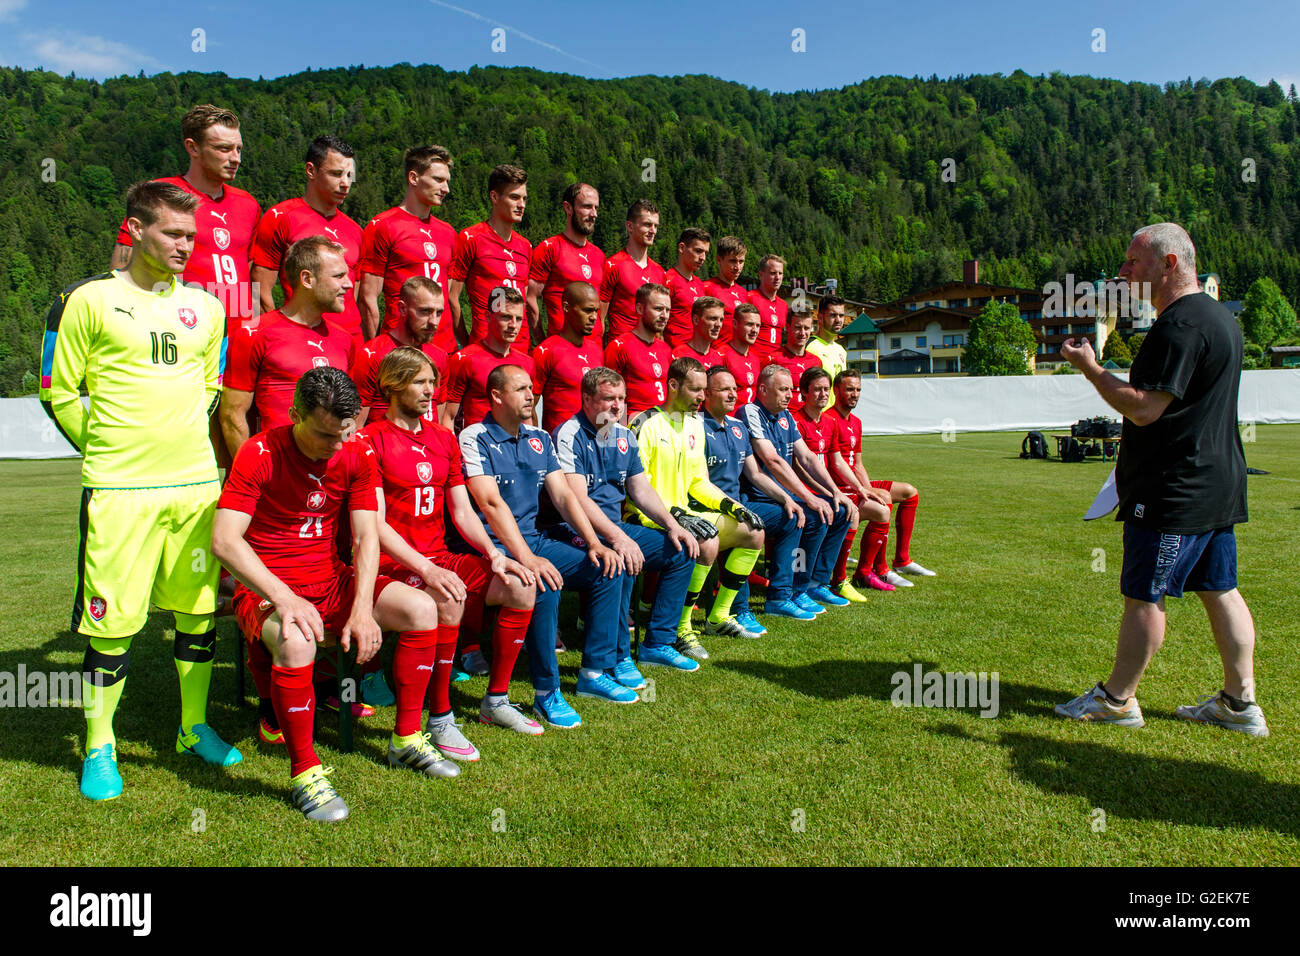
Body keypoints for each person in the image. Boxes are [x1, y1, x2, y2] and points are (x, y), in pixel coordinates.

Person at [41, 180, 239, 801]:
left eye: (191, 236)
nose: (185, 246)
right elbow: (58, 390)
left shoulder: (207, 307)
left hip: (194, 487)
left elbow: (209, 386)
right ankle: (100, 746)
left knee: (199, 612)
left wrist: (180, 444)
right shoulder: (86, 301)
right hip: (120, 488)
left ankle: (192, 727)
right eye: (172, 234)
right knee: (113, 627)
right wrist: (105, 445)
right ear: (135, 230)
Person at [214, 367, 460, 823]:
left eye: (344, 433)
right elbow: (225, 541)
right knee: (297, 639)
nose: (336, 445)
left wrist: (364, 611)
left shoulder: (355, 451)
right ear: (296, 414)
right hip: (270, 587)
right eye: (326, 434)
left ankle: (406, 740)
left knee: (422, 608)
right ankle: (305, 772)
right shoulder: (259, 451)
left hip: (330, 581)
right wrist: (284, 598)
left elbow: (367, 538)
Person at [1055, 222, 1267, 736]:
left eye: (1132, 261)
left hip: (1174, 489)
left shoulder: (1179, 327)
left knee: (1144, 594)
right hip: (1217, 483)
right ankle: (1240, 704)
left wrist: (1091, 369)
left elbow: (1146, 409)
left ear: (1168, 264)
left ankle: (1117, 700)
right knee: (1221, 588)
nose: (1124, 270)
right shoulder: (1219, 318)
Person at [362, 348, 541, 754]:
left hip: (437, 556)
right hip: (392, 565)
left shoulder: (443, 437)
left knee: (519, 585)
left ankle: (495, 701)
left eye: (433, 381)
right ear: (393, 385)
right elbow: (375, 524)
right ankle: (440, 718)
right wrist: (426, 569)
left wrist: (493, 553)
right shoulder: (369, 440)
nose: (431, 391)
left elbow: (462, 509)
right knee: (449, 597)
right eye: (420, 382)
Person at [459, 365, 627, 727]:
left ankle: (594, 674)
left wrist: (596, 543)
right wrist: (527, 558)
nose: (530, 394)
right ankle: (546, 692)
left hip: (534, 541)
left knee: (606, 568)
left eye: (531, 388)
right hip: (493, 545)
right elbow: (490, 504)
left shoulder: (539, 437)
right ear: (497, 396)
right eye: (520, 389)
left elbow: (564, 496)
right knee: (544, 585)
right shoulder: (475, 436)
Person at [553, 368, 701, 679]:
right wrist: (618, 537)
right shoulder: (569, 433)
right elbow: (577, 499)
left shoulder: (623, 435)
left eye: (621, 398)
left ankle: (658, 643)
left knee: (683, 548)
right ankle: (617, 656)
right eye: (608, 399)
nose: (617, 406)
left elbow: (640, 489)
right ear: (587, 399)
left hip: (615, 526)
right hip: (577, 529)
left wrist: (672, 525)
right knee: (621, 559)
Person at [630, 357, 767, 659]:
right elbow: (636, 491)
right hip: (647, 518)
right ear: (673, 386)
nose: (702, 398)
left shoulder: (694, 424)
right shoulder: (645, 424)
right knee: (706, 542)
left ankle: (718, 617)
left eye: (705, 391)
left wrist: (732, 506)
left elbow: (697, 482)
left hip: (683, 515)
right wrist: (674, 516)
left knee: (753, 531)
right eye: (695, 390)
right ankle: (681, 629)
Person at [110, 104, 261, 333]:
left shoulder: (249, 204)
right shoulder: (160, 194)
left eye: (238, 149)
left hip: (240, 332)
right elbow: (122, 265)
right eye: (224, 149)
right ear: (193, 147)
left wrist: (255, 323)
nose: (235, 158)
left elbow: (249, 272)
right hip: (179, 327)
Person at [221, 237, 357, 458]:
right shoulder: (253, 334)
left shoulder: (344, 340)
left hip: (329, 477)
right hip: (276, 474)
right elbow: (232, 416)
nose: (349, 284)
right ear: (307, 279)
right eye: (338, 276)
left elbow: (348, 414)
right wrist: (252, 476)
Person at [740, 365, 856, 618]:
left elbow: (807, 457)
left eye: (790, 390)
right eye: (783, 390)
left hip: (786, 495)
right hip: (761, 497)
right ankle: (782, 594)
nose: (789, 395)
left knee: (838, 510)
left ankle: (814, 585)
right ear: (762, 390)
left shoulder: (785, 416)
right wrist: (808, 498)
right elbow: (772, 461)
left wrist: (834, 492)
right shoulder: (750, 412)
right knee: (806, 517)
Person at [700, 365, 803, 637]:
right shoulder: (695, 427)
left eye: (735, 388)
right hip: (706, 508)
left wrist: (786, 499)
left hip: (739, 504)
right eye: (725, 389)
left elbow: (755, 473)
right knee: (748, 529)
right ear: (706, 394)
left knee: (790, 517)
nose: (733, 394)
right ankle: (739, 609)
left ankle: (780, 596)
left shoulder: (736, 427)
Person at [824, 369, 933, 600]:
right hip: (840, 485)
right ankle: (877, 569)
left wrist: (868, 489)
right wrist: (864, 491)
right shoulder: (829, 419)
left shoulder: (856, 422)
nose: (855, 394)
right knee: (882, 502)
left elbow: (859, 463)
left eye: (858, 390)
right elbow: (835, 464)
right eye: (849, 389)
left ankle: (901, 560)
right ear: (837, 391)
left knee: (909, 492)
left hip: (855, 482)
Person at [250, 135, 363, 344]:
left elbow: (352, 294)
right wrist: (280, 335)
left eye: (349, 175)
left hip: (350, 341)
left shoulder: (356, 230)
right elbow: (260, 289)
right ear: (311, 171)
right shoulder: (281, 218)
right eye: (336, 174)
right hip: (300, 338)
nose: (345, 183)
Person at [356, 145, 458, 349]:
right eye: (438, 180)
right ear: (413, 178)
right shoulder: (383, 226)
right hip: (401, 348)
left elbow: (448, 295)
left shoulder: (448, 233)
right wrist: (375, 348)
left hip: (444, 348)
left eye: (447, 181)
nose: (446, 189)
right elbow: (368, 298)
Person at [447, 164, 531, 349]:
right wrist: (467, 340)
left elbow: (523, 298)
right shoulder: (471, 238)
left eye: (524, 198)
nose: (521, 205)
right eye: (514, 197)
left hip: (521, 349)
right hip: (484, 347)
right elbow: (451, 296)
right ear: (494, 197)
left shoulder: (525, 246)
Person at [351, 276, 449, 427]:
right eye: (425, 311)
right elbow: (353, 423)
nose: (434, 321)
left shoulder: (440, 356)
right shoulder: (373, 354)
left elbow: (440, 417)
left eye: (439, 312)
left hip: (429, 446)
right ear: (402, 308)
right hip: (384, 446)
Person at [441, 286, 535, 432]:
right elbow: (448, 416)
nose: (513, 325)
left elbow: (526, 416)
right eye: (506, 317)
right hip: (477, 448)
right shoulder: (465, 359)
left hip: (516, 449)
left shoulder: (527, 363)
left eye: (518, 319)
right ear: (488, 316)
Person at [527, 182, 605, 342]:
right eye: (587, 207)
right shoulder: (549, 248)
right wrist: (542, 342)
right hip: (560, 347)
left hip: (594, 351)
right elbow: (530, 297)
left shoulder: (599, 255)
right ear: (568, 208)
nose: (594, 214)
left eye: (596, 208)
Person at [532, 281, 605, 433]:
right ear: (566, 307)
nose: (593, 317)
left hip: (593, 443)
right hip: (560, 445)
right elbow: (529, 407)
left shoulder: (597, 351)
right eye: (587, 310)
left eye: (596, 311)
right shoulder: (546, 351)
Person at [603, 282, 674, 422]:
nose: (664, 315)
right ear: (640, 309)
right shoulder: (619, 346)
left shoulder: (666, 349)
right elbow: (607, 398)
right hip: (634, 428)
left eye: (668, 310)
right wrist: (623, 431)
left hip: (664, 427)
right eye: (658, 309)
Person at [600, 199, 664, 340]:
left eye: (655, 226)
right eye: (647, 225)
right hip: (620, 350)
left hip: (649, 351)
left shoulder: (659, 272)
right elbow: (599, 320)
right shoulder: (612, 266)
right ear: (630, 226)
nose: (653, 230)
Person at [663, 227, 710, 346]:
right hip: (675, 352)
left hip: (696, 352)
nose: (703, 258)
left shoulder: (700, 284)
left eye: (705, 253)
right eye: (698, 251)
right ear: (682, 248)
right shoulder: (667, 279)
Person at [703, 235, 750, 341]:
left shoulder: (744, 293)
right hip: (716, 353)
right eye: (733, 261)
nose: (737, 267)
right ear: (719, 260)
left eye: (741, 261)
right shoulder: (706, 288)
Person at [806, 294, 849, 408]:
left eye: (841, 315)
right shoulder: (809, 347)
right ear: (820, 318)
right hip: (817, 419)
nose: (838, 320)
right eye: (833, 315)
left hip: (837, 419)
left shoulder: (841, 350)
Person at [774, 311, 823, 411]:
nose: (802, 333)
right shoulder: (774, 359)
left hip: (808, 422)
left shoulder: (816, 362)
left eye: (806, 328)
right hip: (784, 422)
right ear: (787, 327)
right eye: (797, 327)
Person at [721, 302, 764, 407]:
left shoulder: (756, 359)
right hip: (731, 419)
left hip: (752, 419)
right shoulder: (721, 355)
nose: (754, 330)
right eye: (749, 324)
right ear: (735, 324)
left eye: (758, 325)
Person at [748, 255, 789, 364]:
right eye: (773, 273)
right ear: (761, 275)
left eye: (780, 273)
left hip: (775, 364)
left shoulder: (783, 305)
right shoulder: (750, 298)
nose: (777, 277)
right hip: (754, 361)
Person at [672, 295, 727, 367]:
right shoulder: (678, 356)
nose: (718, 324)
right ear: (696, 320)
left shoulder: (718, 359)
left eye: (721, 320)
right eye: (713, 319)